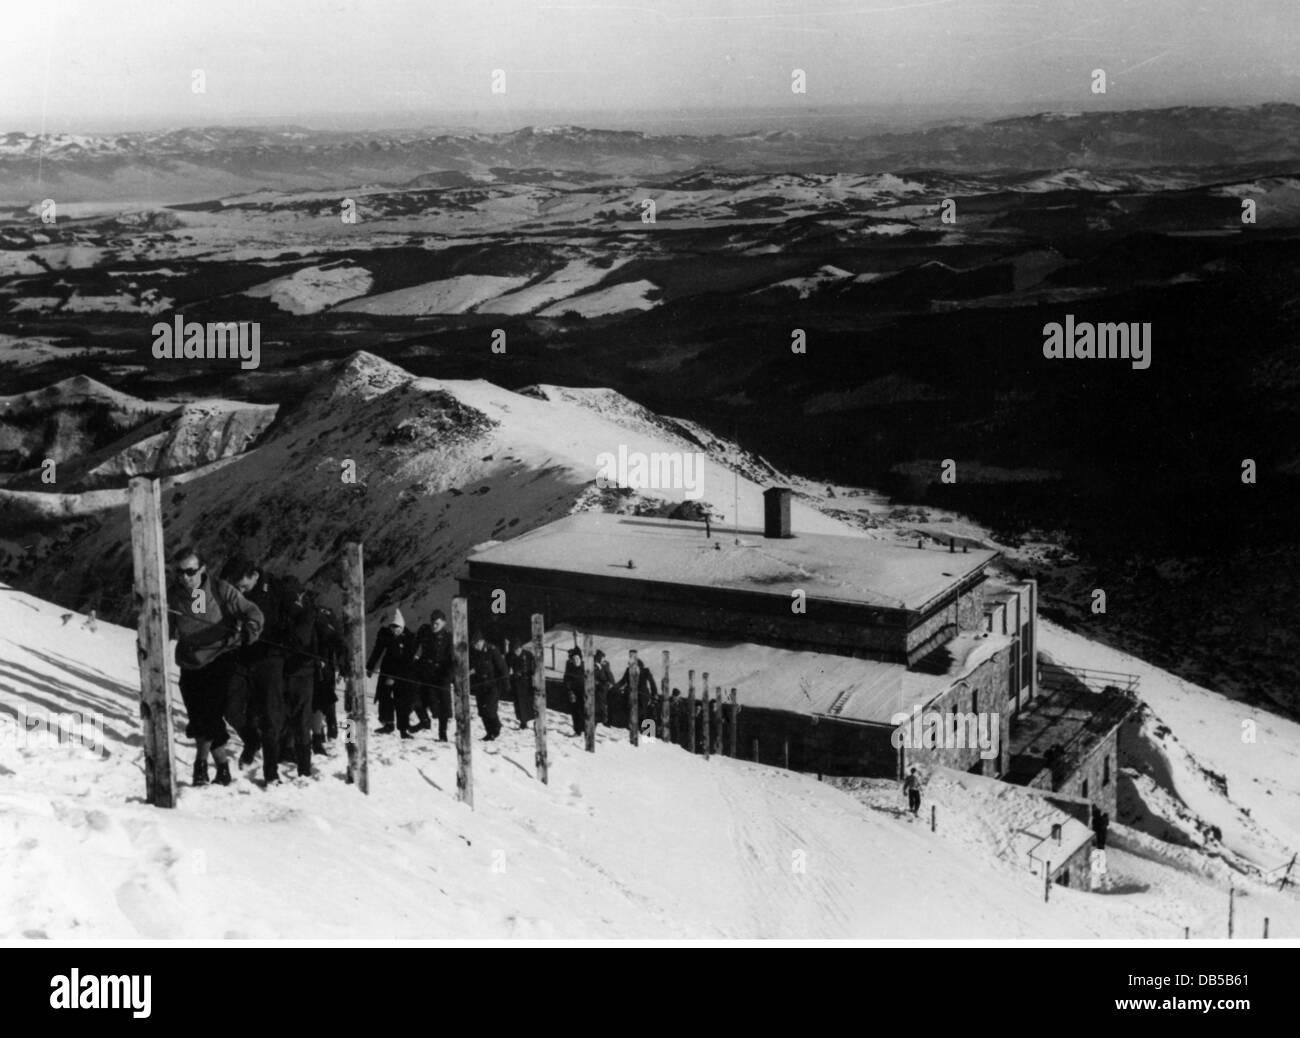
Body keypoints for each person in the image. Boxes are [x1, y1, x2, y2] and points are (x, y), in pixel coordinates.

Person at [168, 547, 263, 788]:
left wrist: (251, 628)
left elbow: (251, 610)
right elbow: (169, 624)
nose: (185, 577)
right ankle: (222, 768)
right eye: (179, 572)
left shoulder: (220, 589)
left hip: (221, 657)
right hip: (191, 661)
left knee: (209, 712)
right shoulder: (173, 595)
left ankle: (200, 766)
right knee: (199, 716)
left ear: (202, 570)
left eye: (190, 571)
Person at [223, 556, 294, 785]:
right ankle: (250, 739)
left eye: (243, 585)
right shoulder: (231, 592)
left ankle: (271, 772)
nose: (240, 590)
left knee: (270, 718)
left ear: (254, 575)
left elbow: (294, 621)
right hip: (241, 657)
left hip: (270, 659)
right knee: (230, 708)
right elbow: (203, 604)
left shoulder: (276, 589)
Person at [366, 608, 418, 738]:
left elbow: (407, 660)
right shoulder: (385, 635)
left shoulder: (410, 638)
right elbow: (377, 650)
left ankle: (403, 730)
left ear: (402, 627)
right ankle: (388, 724)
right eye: (392, 628)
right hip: (387, 668)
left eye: (397, 628)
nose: (394, 630)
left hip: (403, 672)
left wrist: (394, 678)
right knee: (385, 697)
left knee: (402, 701)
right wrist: (370, 667)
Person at [310, 603, 348, 754]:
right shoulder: (333, 625)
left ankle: (329, 733)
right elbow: (340, 644)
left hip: (326, 667)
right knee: (331, 700)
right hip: (331, 667)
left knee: (323, 702)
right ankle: (333, 730)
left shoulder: (324, 623)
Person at [413, 609, 454, 740]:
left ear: (444, 623)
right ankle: (425, 721)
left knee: (443, 706)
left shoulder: (449, 638)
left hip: (441, 674)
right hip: (425, 671)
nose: (433, 626)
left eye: (437, 623)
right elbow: (415, 646)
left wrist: (447, 677)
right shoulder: (425, 633)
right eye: (432, 623)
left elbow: (452, 659)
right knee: (415, 698)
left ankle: (442, 734)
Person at [469, 631, 507, 741]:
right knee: (481, 710)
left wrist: (505, 684)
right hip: (480, 685)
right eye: (474, 644)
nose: (476, 646)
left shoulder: (492, 650)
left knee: (490, 709)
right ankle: (489, 732)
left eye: (477, 644)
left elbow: (502, 668)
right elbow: (474, 665)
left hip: (492, 685)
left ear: (482, 641)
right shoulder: (475, 652)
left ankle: (496, 728)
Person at [613, 650, 657, 730]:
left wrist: (654, 694)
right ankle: (631, 728)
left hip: (642, 696)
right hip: (630, 695)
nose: (630, 665)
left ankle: (644, 732)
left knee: (643, 713)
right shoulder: (628, 670)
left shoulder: (645, 671)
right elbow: (623, 681)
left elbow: (652, 683)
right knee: (629, 711)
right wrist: (614, 687)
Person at [509, 641, 536, 729]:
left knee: (529, 702)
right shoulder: (510, 656)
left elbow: (533, 667)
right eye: (515, 650)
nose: (516, 652)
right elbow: (508, 667)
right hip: (516, 683)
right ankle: (523, 721)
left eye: (518, 649)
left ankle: (534, 720)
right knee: (519, 703)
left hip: (527, 682)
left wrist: (530, 674)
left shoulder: (528, 655)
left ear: (521, 648)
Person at [563, 647, 586, 737]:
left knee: (585, 711)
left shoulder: (585, 668)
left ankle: (587, 730)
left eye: (577, 658)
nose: (576, 660)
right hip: (575, 693)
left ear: (580, 659)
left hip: (585, 693)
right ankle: (578, 731)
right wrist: (570, 692)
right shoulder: (570, 668)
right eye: (574, 659)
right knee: (576, 712)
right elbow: (566, 681)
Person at [592, 650, 615, 726]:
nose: (603, 660)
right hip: (595, 685)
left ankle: (604, 717)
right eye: (602, 658)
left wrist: (612, 683)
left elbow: (609, 674)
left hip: (604, 685)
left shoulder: (605, 664)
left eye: (604, 658)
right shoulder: (593, 664)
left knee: (602, 699)